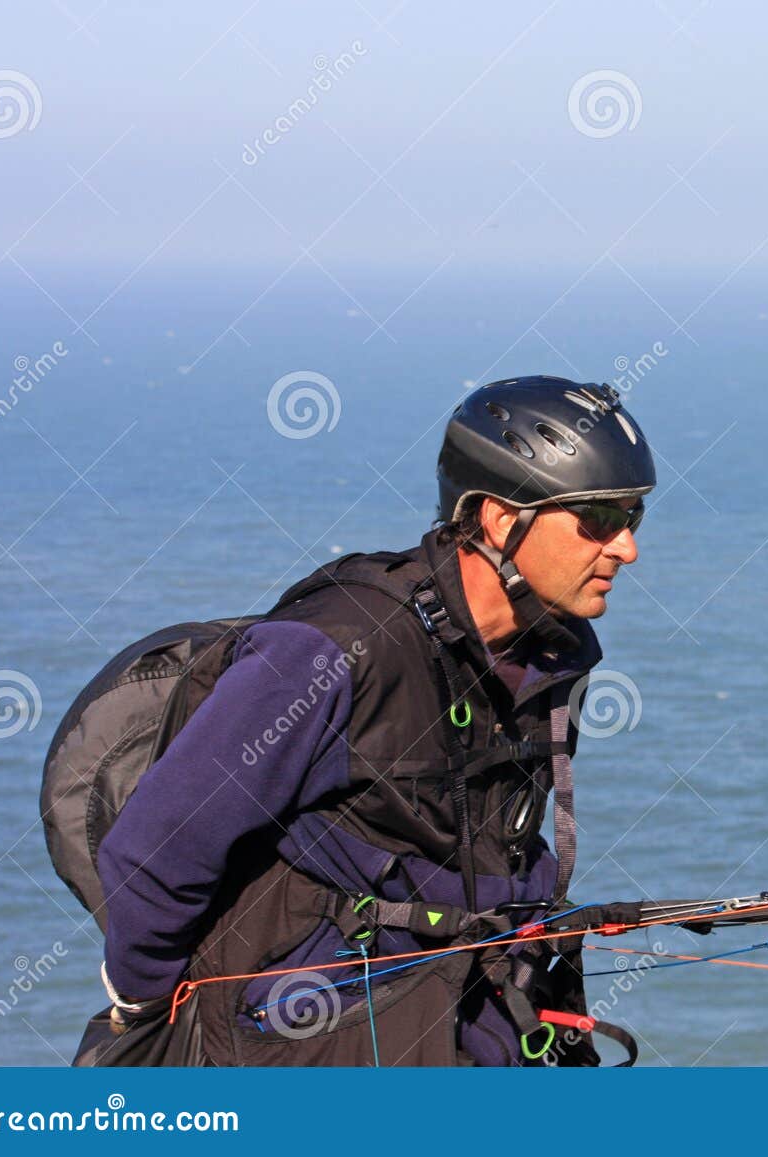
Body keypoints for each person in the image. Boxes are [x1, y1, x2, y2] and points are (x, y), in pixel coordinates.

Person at [92, 376, 653, 1066]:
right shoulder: (334, 650)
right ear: (502, 519)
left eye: (633, 516)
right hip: (318, 1048)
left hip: (475, 1022)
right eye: (598, 519)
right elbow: (153, 851)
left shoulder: (549, 653)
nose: (626, 547)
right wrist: (146, 1014)